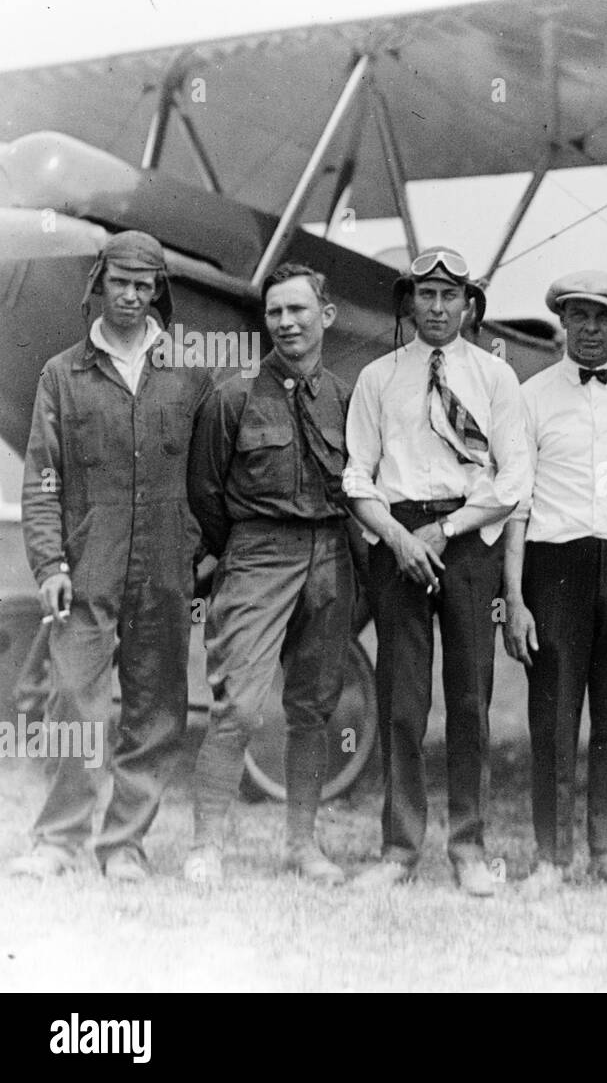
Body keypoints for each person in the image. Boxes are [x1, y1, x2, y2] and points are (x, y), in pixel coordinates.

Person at [11, 230, 211, 882]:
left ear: (159, 290)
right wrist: (50, 566)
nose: (130, 294)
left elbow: (210, 481)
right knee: (75, 702)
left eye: (143, 282)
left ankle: (125, 842)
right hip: (85, 571)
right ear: (99, 284)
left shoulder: (187, 375)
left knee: (157, 710)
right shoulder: (63, 375)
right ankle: (59, 839)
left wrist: (196, 555)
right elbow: (41, 480)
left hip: (163, 573)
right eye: (119, 281)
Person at [343, 246, 530, 895]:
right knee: (401, 700)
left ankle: (470, 849)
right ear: (409, 302)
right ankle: (399, 849)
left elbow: (513, 481)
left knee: (470, 701)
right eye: (426, 295)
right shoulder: (378, 378)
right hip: (397, 542)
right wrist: (396, 535)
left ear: (469, 305)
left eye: (451, 296)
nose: (439, 306)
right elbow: (355, 476)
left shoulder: (495, 379)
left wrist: (443, 530)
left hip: (467, 539)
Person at [183, 263, 354, 886]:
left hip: (330, 556)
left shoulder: (344, 397)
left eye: (298, 310)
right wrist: (244, 554)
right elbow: (205, 494)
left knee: (313, 706)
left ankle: (303, 846)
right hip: (256, 556)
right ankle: (206, 847)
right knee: (238, 706)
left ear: (325, 317)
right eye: (275, 312)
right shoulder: (233, 397)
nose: (286, 323)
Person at [503, 270, 607, 895]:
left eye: (603, 319)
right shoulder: (529, 396)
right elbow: (515, 502)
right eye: (579, 318)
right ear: (562, 323)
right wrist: (513, 598)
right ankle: (552, 857)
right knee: (554, 713)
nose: (590, 330)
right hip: (554, 564)